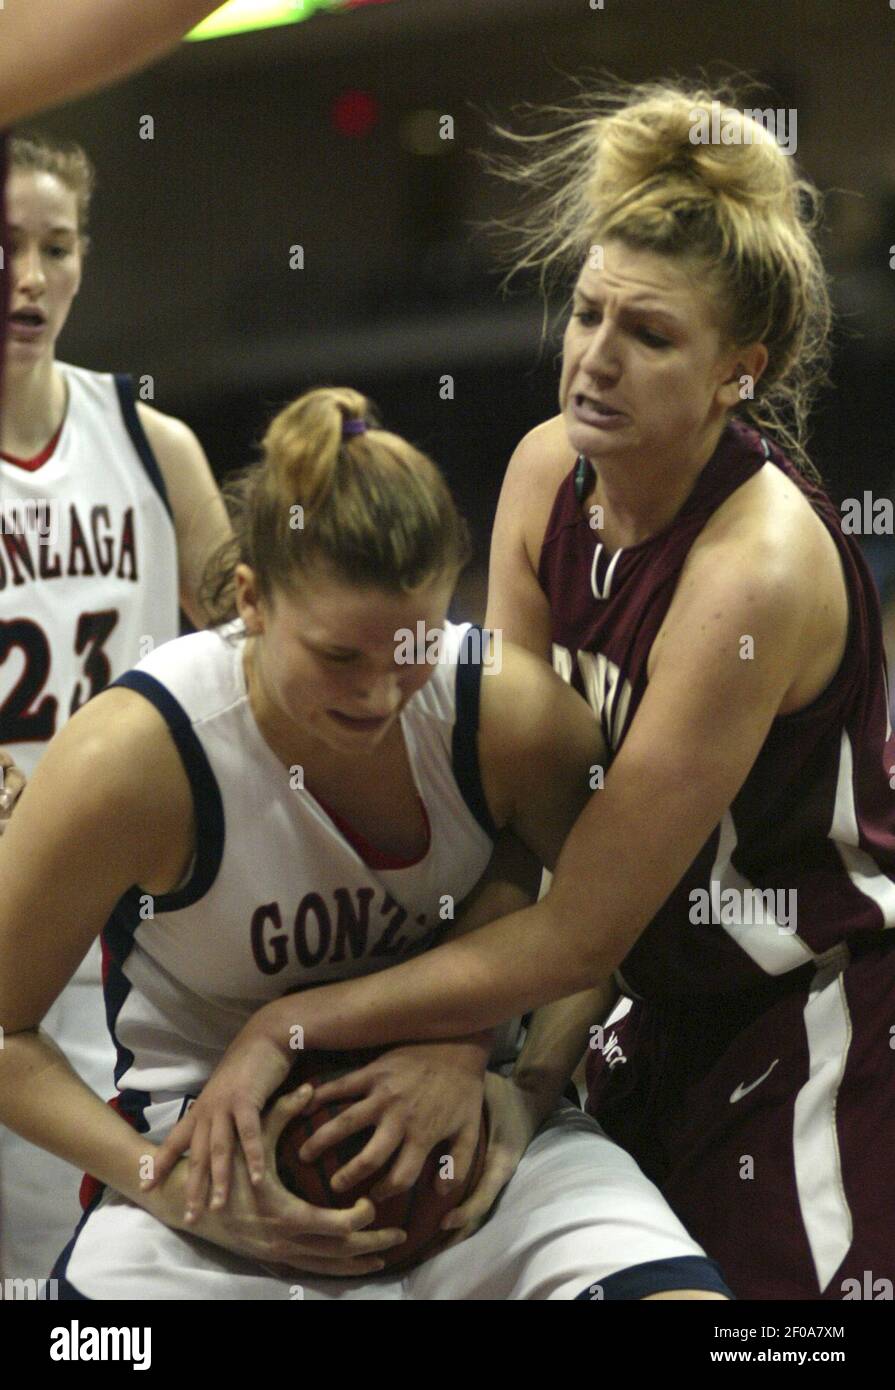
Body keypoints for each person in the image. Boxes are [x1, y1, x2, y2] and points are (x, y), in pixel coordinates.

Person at [153, 80, 895, 1301]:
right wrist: (480, 1052)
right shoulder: (547, 470)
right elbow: (510, 801)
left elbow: (582, 921)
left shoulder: (751, 574)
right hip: (633, 1002)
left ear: (737, 374)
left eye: (648, 336)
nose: (594, 359)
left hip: (800, 1013)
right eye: (588, 313)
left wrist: (289, 1023)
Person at [0, 385, 731, 1301]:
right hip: (213, 1166)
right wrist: (171, 1187)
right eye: (341, 658)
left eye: (413, 647)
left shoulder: (506, 716)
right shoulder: (136, 756)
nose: (383, 694)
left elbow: (598, 933)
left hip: (472, 1141)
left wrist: (518, 1080)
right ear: (251, 601)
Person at [0, 130, 231, 1281]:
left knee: (110, 1264)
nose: (27, 279)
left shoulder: (150, 441)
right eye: (3, 248)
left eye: (54, 246)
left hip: (134, 930)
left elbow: (258, 654)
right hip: (9, 914)